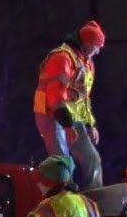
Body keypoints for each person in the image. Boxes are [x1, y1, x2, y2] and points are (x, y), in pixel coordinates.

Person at [33, 21, 106, 190]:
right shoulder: (61, 58)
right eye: (97, 46)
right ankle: (65, 195)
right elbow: (55, 96)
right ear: (87, 44)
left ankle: (93, 198)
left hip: (70, 116)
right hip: (50, 114)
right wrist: (66, 126)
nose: (98, 51)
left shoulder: (86, 63)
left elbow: (83, 99)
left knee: (91, 159)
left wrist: (89, 125)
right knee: (62, 161)